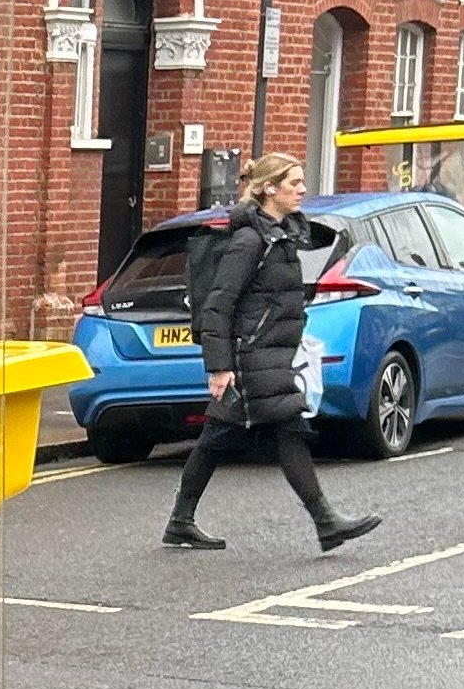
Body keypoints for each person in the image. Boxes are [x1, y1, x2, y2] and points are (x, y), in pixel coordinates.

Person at [164, 153, 383, 555]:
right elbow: (218, 303)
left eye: (301, 181)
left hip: (269, 354)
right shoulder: (251, 241)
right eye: (293, 183)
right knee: (283, 431)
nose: (302, 189)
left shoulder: (279, 236)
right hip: (250, 356)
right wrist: (219, 366)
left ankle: (181, 521)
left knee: (226, 436)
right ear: (269, 189)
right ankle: (325, 522)